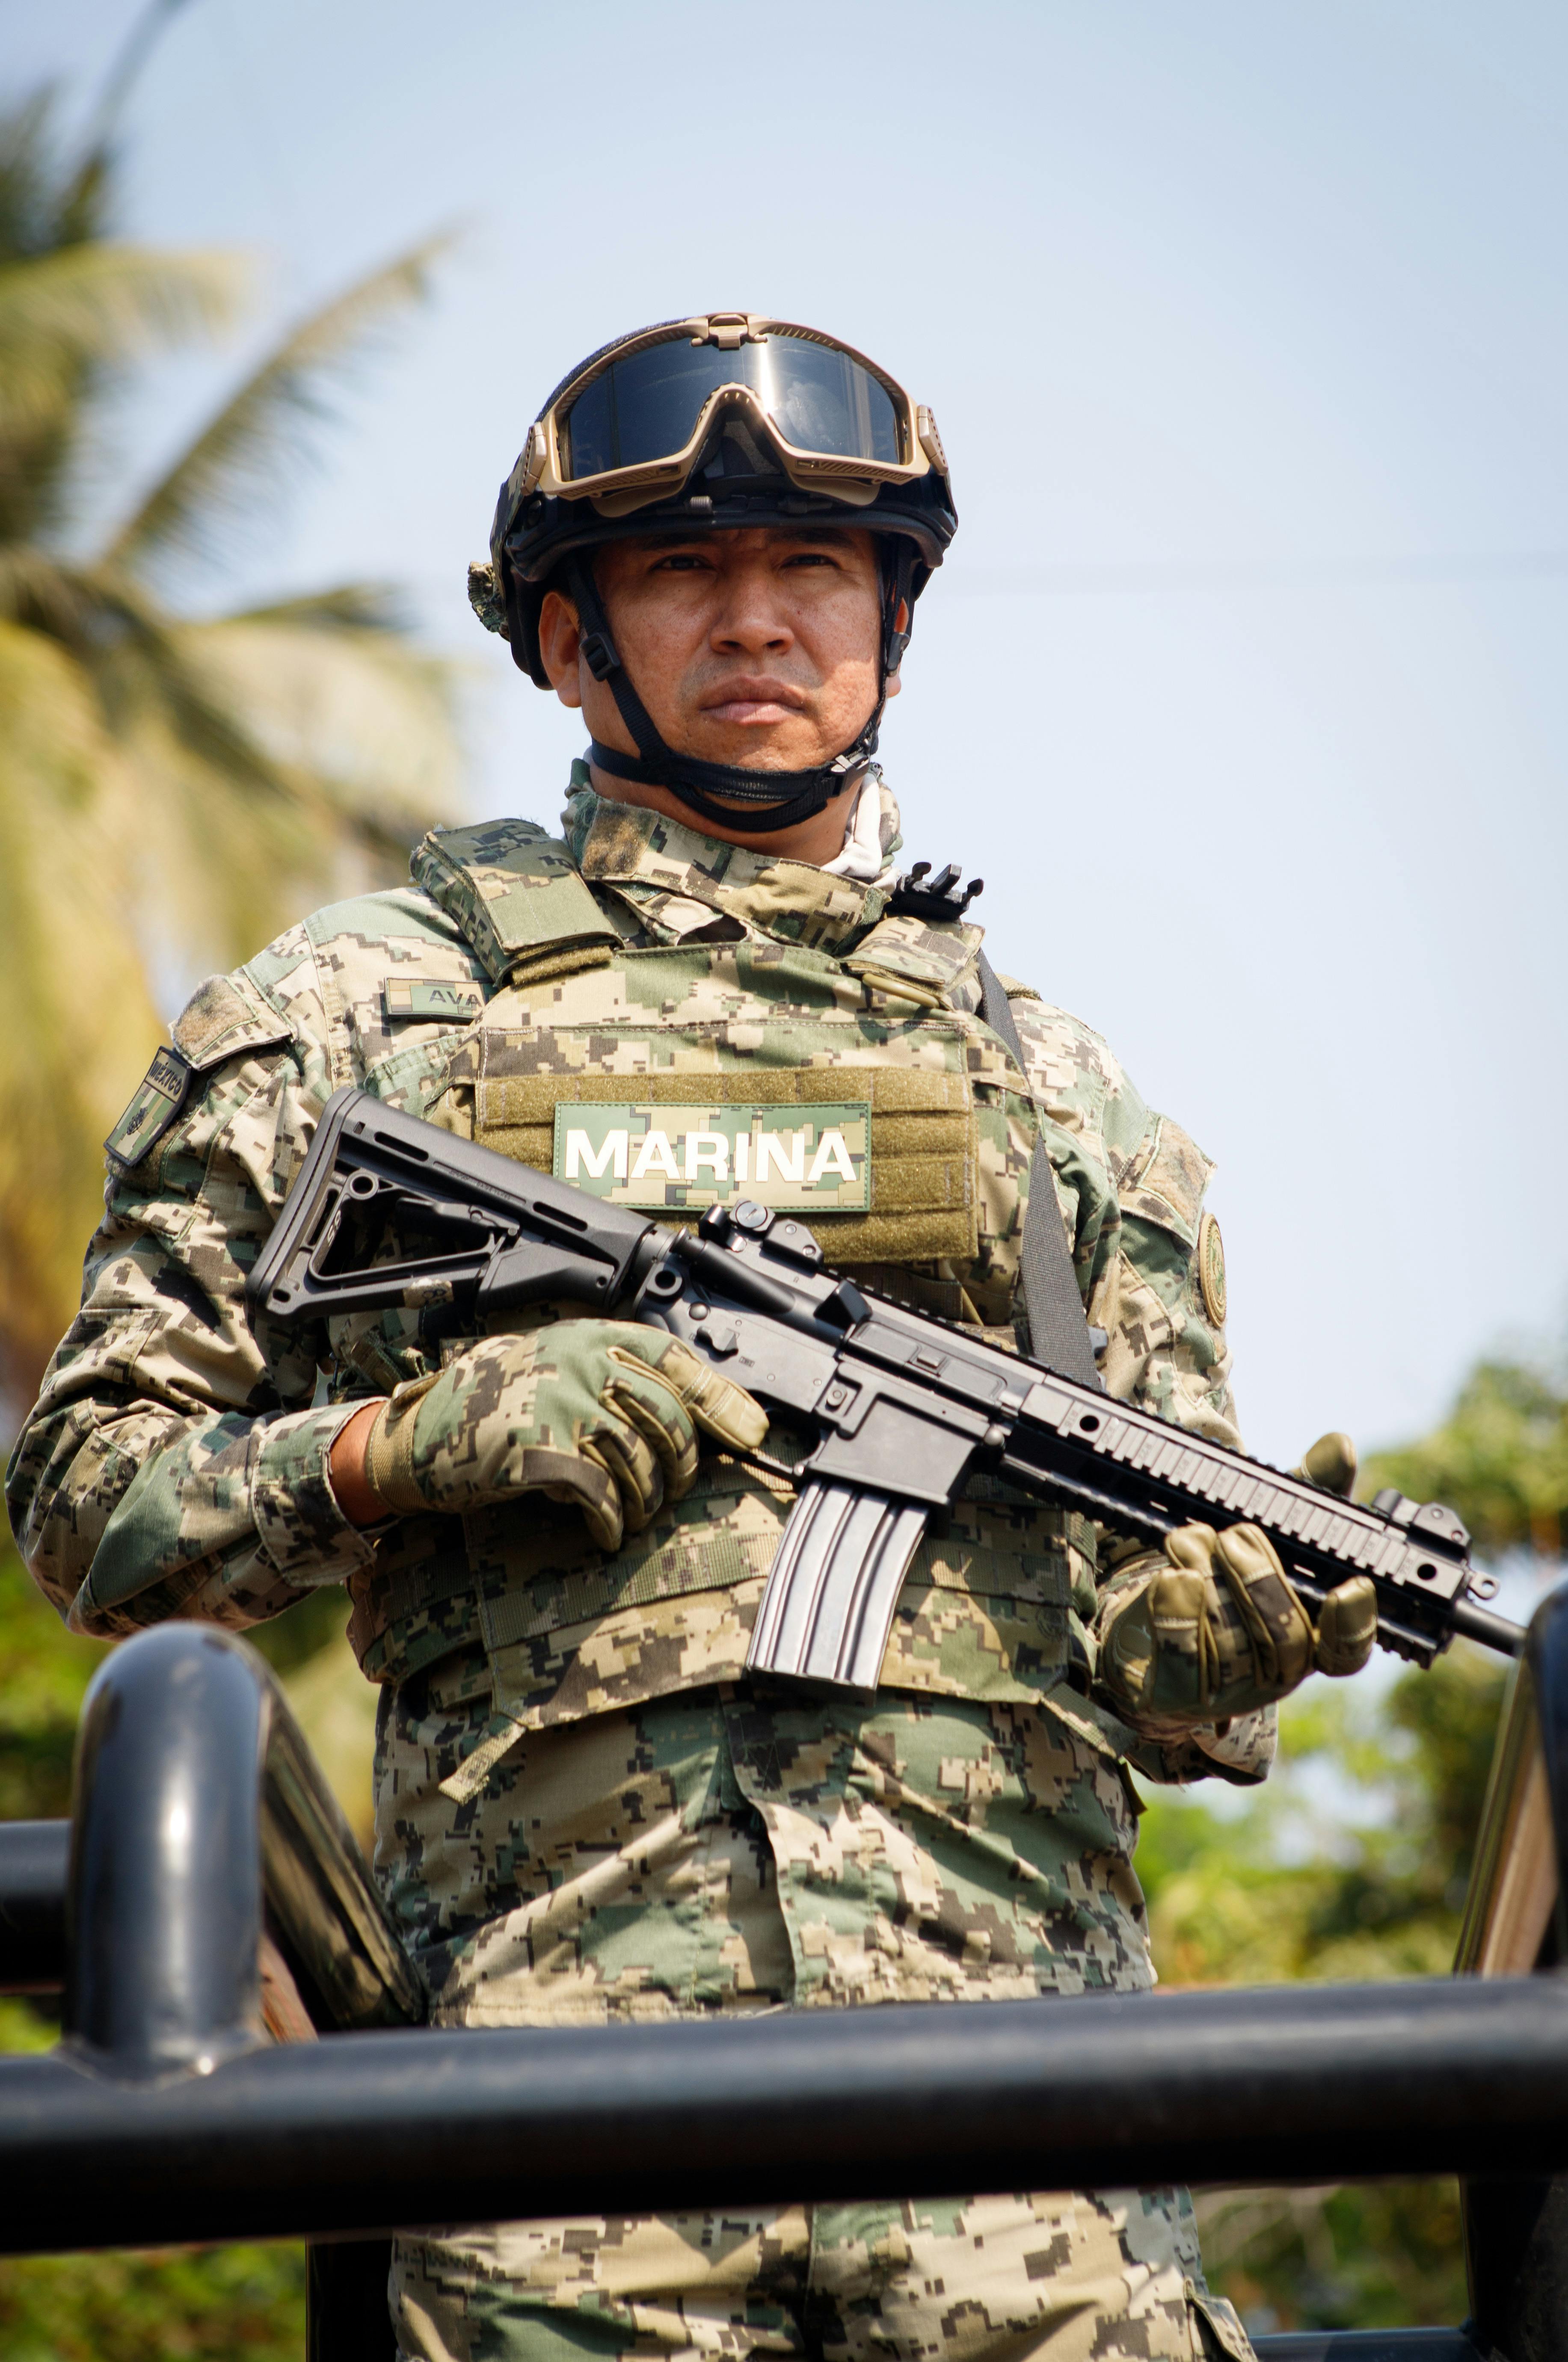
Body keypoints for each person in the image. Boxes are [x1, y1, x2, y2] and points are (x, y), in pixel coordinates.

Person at [7, 311, 1378, 2362]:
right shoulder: (354, 1018)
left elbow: (1158, 1670)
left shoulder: (1064, 1104)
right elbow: (89, 1497)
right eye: (683, 571)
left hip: (1026, 2133)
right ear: (572, 639)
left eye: (811, 570)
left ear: (888, 627)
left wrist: (1211, 1643)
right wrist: (408, 1447)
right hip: (559, 2123)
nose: (757, 621)